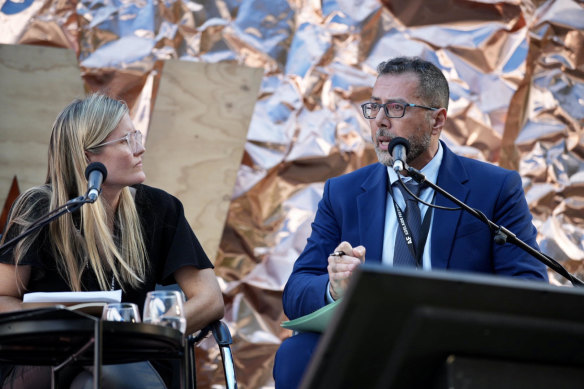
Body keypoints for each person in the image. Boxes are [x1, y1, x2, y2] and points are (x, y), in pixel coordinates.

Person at [273, 56, 549, 388]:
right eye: (374, 108)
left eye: (396, 109)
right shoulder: (343, 193)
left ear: (437, 120)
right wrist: (334, 287)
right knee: (297, 353)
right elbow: (298, 289)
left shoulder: (493, 188)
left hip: (456, 347)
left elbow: (530, 288)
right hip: (370, 345)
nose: (380, 122)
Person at [0, 93, 224, 388]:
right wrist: (66, 323)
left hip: (132, 357)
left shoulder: (159, 208)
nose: (140, 148)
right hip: (46, 359)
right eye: (125, 140)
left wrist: (141, 333)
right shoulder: (41, 210)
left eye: (136, 136)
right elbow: (3, 300)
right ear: (87, 156)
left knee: (93, 377)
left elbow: (209, 299)